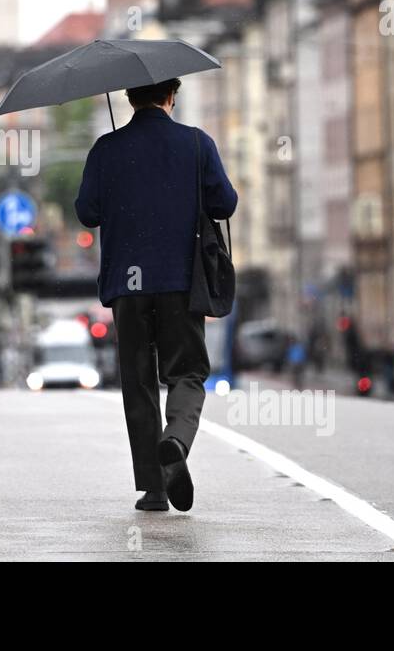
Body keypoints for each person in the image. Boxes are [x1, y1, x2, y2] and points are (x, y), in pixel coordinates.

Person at [75, 78, 237, 513]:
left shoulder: (106, 149)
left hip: (128, 286)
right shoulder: (196, 144)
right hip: (181, 281)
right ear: (170, 97)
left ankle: (154, 487)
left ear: (129, 98)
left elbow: (86, 212)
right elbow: (225, 203)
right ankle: (176, 440)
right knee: (186, 372)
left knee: (139, 380)